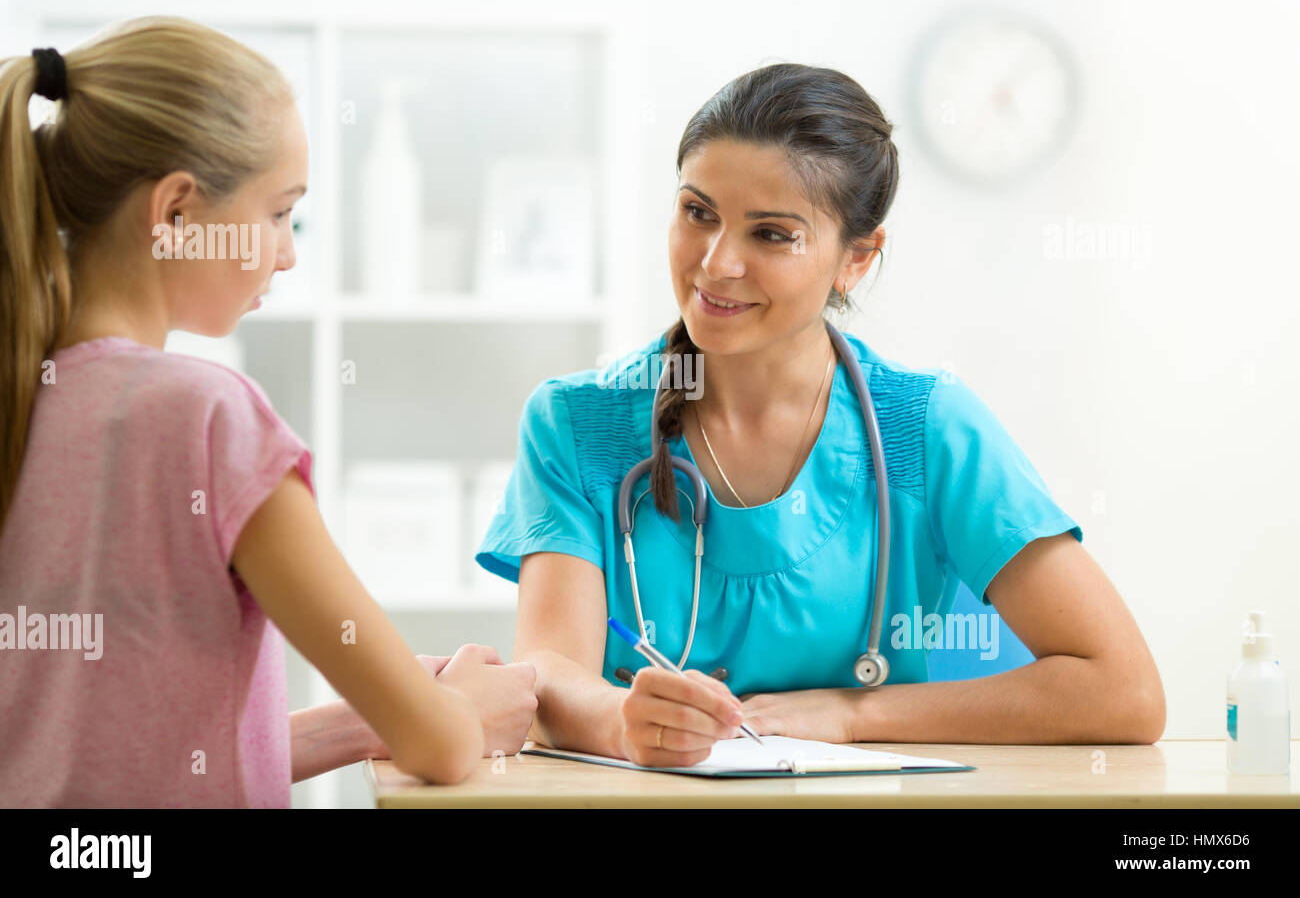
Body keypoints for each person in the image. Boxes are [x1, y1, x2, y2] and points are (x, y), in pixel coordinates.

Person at [475, 62, 1165, 767]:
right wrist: (626, 723)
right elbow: (549, 674)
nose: (716, 263)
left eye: (772, 234)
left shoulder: (926, 427)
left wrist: (853, 714)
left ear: (856, 259)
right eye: (698, 213)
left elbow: (1124, 691)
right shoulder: (575, 422)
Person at [0, 17, 536, 807]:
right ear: (175, 213)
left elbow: (134, 755)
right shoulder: (209, 418)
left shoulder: (22, 396)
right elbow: (442, 747)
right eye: (280, 213)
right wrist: (465, 710)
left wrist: (365, 722)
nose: (286, 253)